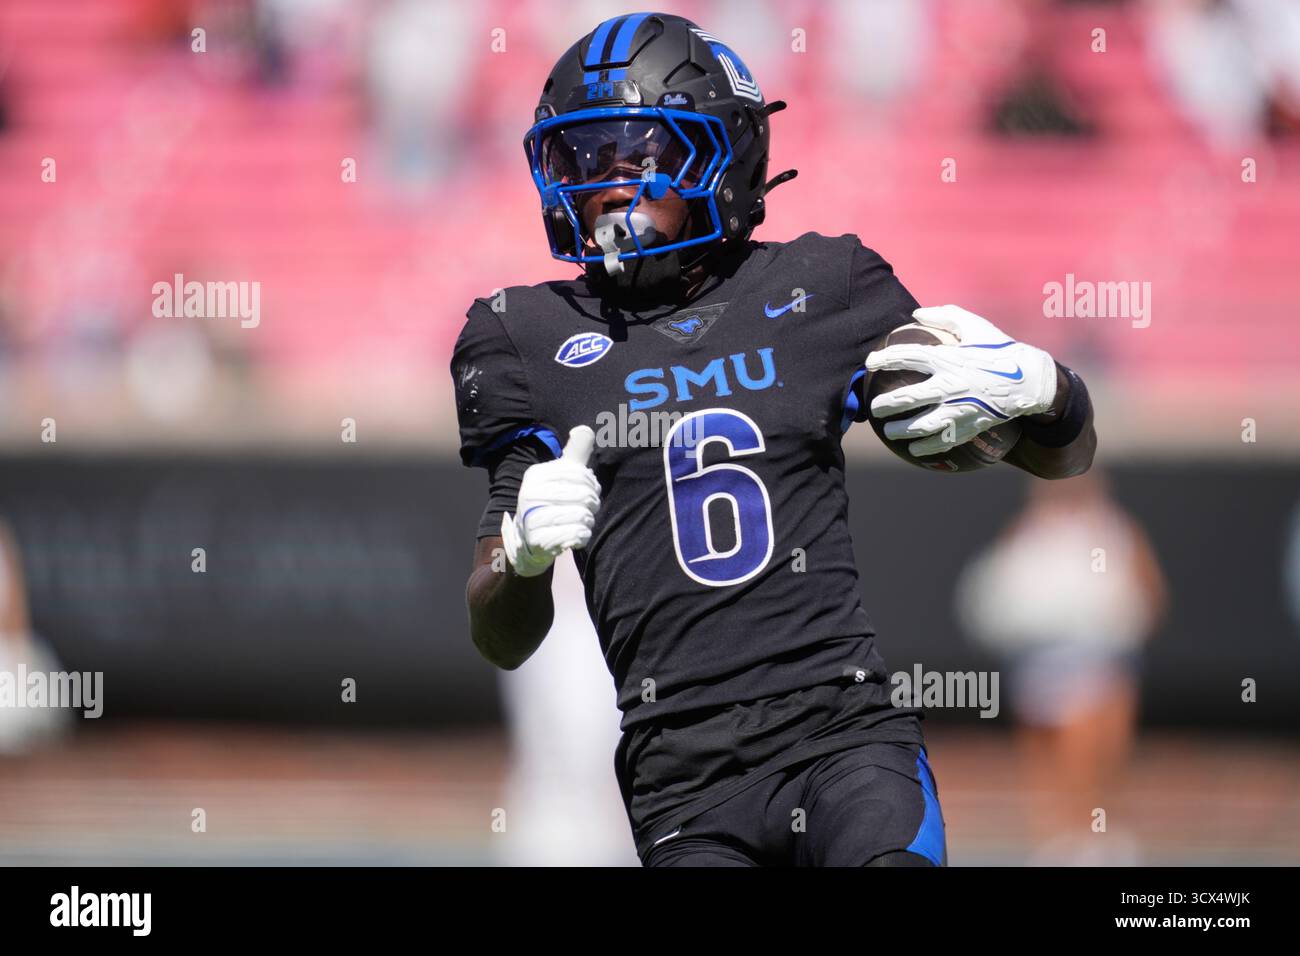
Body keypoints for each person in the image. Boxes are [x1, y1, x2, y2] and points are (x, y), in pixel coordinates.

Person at [451, 12, 1096, 867]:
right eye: (583, 158)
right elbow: (500, 634)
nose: (605, 185)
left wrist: (1048, 391)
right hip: (682, 779)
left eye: (636, 155)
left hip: (845, 739)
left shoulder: (827, 285)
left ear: (721, 154)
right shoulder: (524, 336)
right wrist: (524, 560)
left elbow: (1058, 453)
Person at [956, 471, 1164, 864]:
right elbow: (998, 597)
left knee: (1095, 759)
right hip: (1039, 668)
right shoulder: (1025, 532)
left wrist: (1120, 624)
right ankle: (1057, 840)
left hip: (1098, 665)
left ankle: (1097, 838)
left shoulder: (1115, 532)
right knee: (1048, 763)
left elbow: (1149, 594)